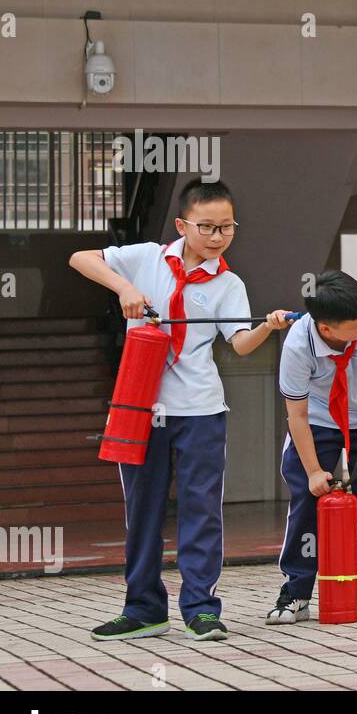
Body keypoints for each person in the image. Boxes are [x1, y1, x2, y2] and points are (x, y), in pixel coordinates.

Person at [68, 180, 292, 641]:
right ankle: (144, 608)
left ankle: (201, 608)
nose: (217, 236)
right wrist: (124, 288)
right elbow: (80, 258)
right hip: (140, 409)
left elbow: (241, 345)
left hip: (201, 410)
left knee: (202, 509)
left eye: (227, 227)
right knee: (142, 510)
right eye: (207, 226)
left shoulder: (229, 284)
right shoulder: (146, 257)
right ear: (182, 224)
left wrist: (266, 328)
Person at [270, 270, 357, 623]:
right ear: (326, 329)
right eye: (354, 324)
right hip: (318, 422)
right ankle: (296, 591)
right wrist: (313, 471)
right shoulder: (297, 346)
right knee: (307, 503)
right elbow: (296, 416)